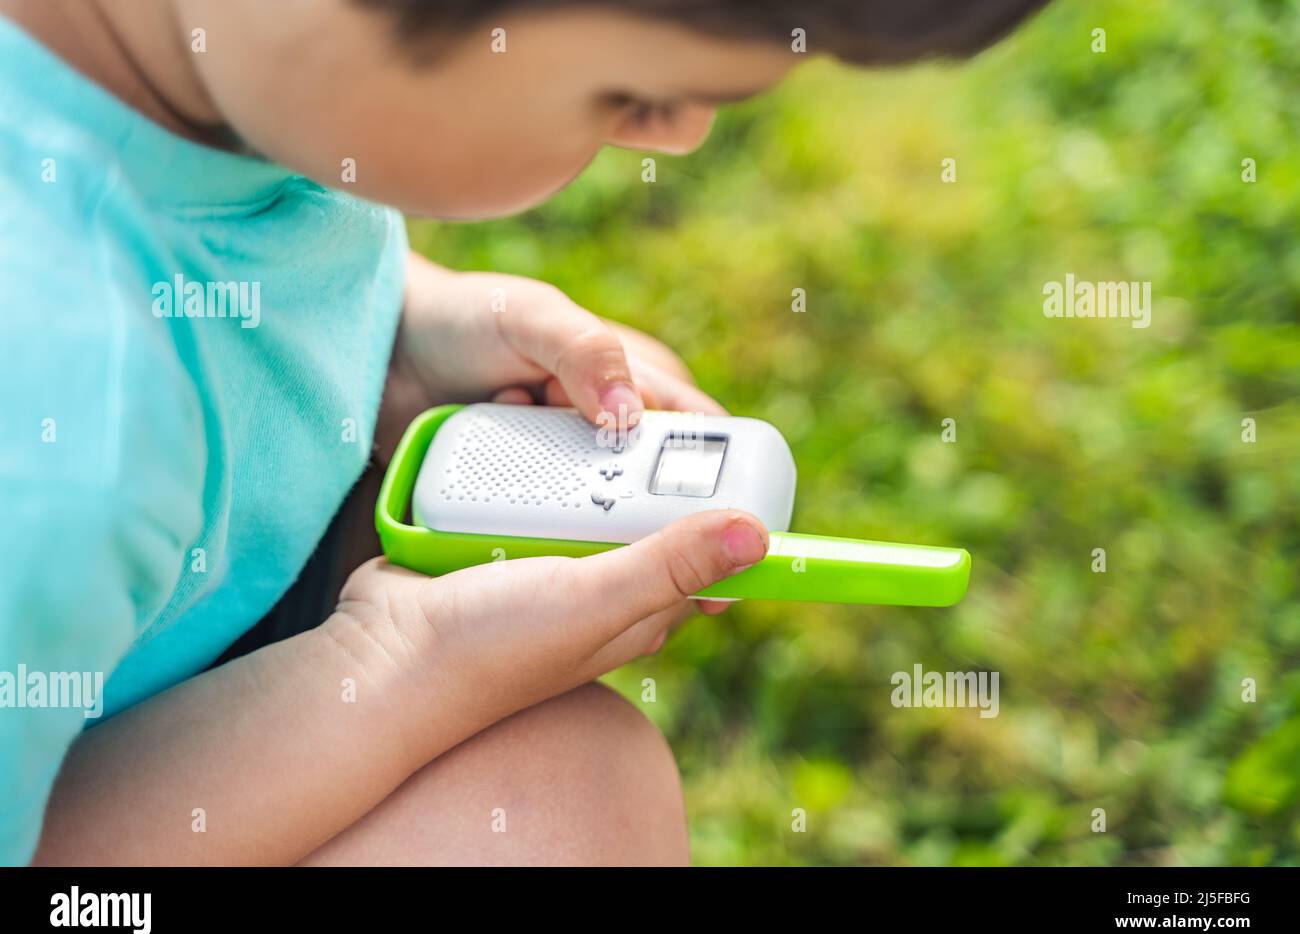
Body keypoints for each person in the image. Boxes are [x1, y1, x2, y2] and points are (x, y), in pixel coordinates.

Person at [0, 0, 1047, 866]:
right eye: (630, 93)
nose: (677, 133)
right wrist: (390, 666)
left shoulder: (196, 63)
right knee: (566, 812)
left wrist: (401, 331)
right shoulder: (63, 438)